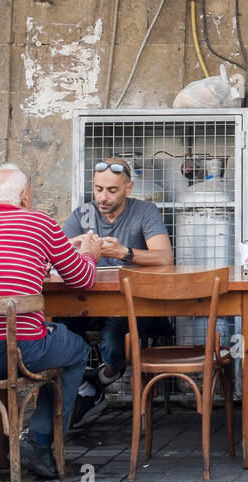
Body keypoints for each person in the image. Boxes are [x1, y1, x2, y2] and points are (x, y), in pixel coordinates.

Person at [0, 165, 102, 482]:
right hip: (17, 351)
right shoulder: (40, 221)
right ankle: (39, 442)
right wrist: (90, 253)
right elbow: (81, 278)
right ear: (25, 196)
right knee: (76, 349)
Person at [62, 158, 173, 428]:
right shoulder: (82, 214)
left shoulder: (144, 211)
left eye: (112, 190)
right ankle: (77, 388)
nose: (103, 197)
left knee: (114, 337)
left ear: (128, 188)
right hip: (87, 299)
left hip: (132, 302)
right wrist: (76, 246)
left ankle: (99, 379)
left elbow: (165, 257)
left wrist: (123, 252)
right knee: (63, 326)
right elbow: (57, 255)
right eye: (98, 189)